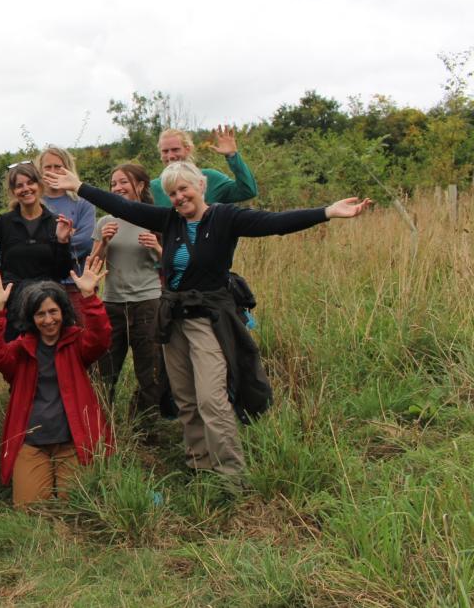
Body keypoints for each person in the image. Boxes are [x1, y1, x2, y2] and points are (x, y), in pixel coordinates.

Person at [46, 162, 371, 480]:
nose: (179, 197)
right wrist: (79, 187)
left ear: (201, 186)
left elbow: (275, 223)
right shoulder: (170, 220)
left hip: (208, 320)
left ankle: (230, 471)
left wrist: (327, 212)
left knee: (211, 398)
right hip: (173, 320)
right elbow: (121, 205)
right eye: (172, 193)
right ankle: (198, 463)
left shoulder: (225, 217)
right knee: (186, 397)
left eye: (184, 189)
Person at [0, 263, 112, 507]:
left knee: (74, 505)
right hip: (31, 443)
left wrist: (89, 298)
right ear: (31, 318)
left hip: (73, 441)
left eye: (53, 312)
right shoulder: (22, 349)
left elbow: (100, 339)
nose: (48, 320)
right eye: (40, 314)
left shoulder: (76, 342)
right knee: (31, 510)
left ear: (63, 312)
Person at [87, 164, 167, 421]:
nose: (117, 188)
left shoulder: (156, 218)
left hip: (148, 302)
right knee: (103, 370)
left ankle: (143, 427)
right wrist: (103, 243)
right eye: (113, 184)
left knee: (151, 372)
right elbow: (92, 267)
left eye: (124, 182)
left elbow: (173, 264)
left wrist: (156, 246)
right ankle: (100, 427)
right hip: (112, 304)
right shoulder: (105, 222)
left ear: (141, 186)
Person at [0, 161, 74, 337]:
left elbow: (62, 272)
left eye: (30, 183)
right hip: (16, 306)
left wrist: (62, 242)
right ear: (13, 192)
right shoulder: (4, 222)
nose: (26, 188)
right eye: (19, 185)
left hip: (49, 305)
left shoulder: (54, 223)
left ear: (39, 185)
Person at [150, 127, 258, 208]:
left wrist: (232, 156)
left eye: (175, 149)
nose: (171, 156)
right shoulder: (153, 187)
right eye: (165, 151)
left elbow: (248, 191)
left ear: (187, 149)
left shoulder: (210, 178)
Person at [35, 146, 95, 277]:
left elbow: (85, 243)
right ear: (39, 170)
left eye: (58, 167)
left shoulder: (84, 202)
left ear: (68, 169)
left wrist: (45, 242)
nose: (52, 171)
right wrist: (64, 238)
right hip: (40, 284)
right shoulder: (33, 203)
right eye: (47, 167)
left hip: (76, 283)